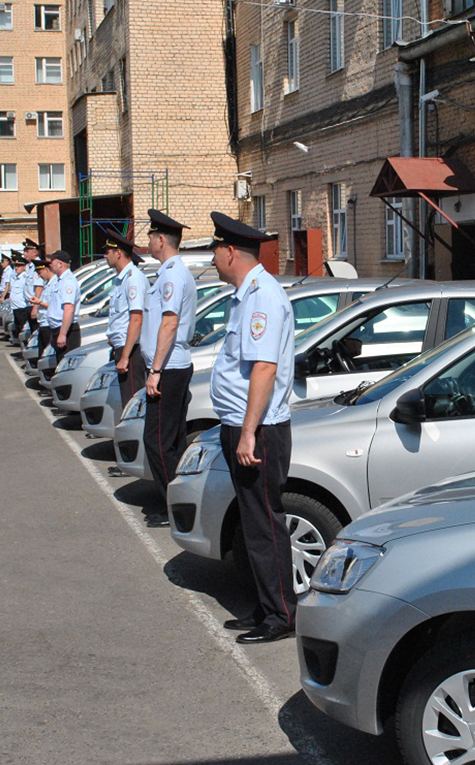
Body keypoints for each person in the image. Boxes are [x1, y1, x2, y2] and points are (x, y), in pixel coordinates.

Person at [208, 211, 296, 645]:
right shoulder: (247, 295)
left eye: (215, 252)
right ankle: (266, 605)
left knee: (265, 525)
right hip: (245, 425)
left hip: (257, 430)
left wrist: (247, 432)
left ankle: (281, 614)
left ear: (230, 251)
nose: (213, 260)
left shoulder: (262, 297)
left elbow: (264, 367)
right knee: (253, 523)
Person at [139, 210, 197, 528]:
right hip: (169, 367)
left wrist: (155, 370)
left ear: (161, 239)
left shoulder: (173, 274)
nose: (148, 241)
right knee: (170, 441)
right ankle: (178, 504)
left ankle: (172, 506)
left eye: (150, 236)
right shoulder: (167, 272)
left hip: (169, 368)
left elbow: (170, 322)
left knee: (158, 441)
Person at [103, 228, 148, 412]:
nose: (104, 255)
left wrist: (125, 356)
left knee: (131, 401)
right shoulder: (121, 279)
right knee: (127, 399)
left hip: (130, 349)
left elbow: (136, 318)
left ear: (118, 252)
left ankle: (132, 440)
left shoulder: (133, 279)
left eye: (107, 252)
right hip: (123, 347)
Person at [46, 250, 81, 366]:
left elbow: (69, 309)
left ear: (60, 264)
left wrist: (62, 334)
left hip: (67, 330)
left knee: (65, 365)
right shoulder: (60, 280)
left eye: (52, 262)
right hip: (59, 328)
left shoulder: (68, 282)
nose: (50, 264)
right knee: (60, 364)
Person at [30, 257, 55, 356]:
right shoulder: (48, 284)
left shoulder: (55, 284)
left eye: (40, 273)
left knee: (46, 353)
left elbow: (54, 305)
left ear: (46, 270)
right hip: (43, 323)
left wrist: (39, 303)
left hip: (49, 323)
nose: (40, 276)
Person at [22, 238, 43, 336]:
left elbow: (39, 287)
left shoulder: (37, 266)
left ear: (35, 253)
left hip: (34, 305)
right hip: (28, 304)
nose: (24, 254)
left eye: (27, 251)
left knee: (36, 333)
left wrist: (35, 308)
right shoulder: (30, 266)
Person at [6, 256, 30, 342]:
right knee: (18, 327)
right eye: (15, 266)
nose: (16, 268)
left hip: (22, 307)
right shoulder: (15, 277)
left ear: (24, 267)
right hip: (15, 307)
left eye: (19, 266)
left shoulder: (25, 278)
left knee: (23, 328)